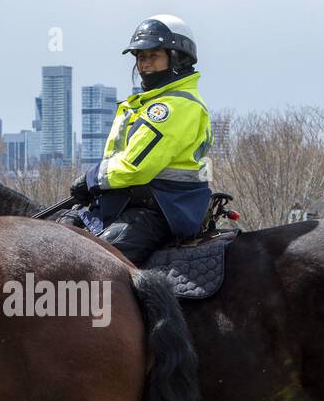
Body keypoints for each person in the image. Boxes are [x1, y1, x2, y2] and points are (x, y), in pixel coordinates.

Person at [64, 14, 213, 263]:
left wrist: (92, 178)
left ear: (178, 58)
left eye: (153, 56)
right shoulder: (150, 104)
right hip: (134, 204)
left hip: (164, 210)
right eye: (141, 57)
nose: (145, 65)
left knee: (94, 266)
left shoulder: (172, 107)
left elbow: (136, 168)